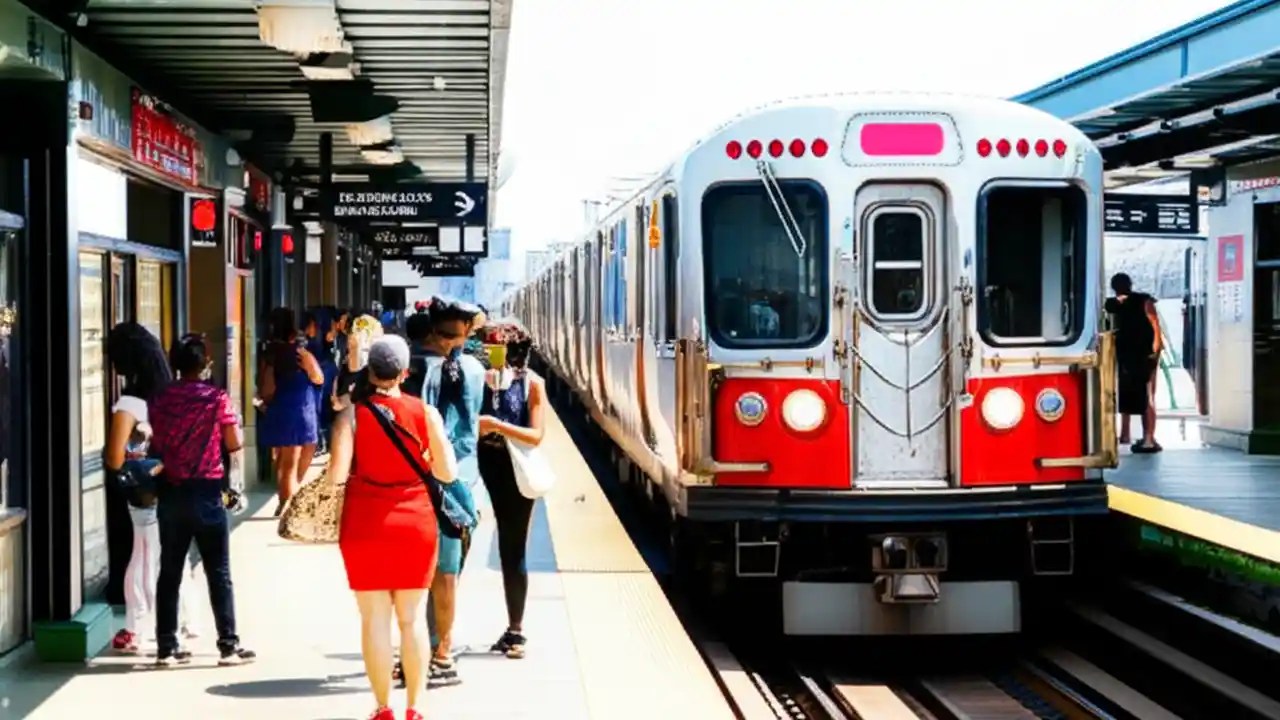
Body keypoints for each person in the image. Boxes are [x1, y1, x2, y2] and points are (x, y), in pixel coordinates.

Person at [334, 335, 458, 720]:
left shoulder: (352, 415)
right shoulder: (426, 414)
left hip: (365, 523)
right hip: (415, 523)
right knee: (411, 617)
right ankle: (415, 709)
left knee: (374, 619)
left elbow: (337, 476)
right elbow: (447, 473)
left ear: (370, 371)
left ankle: (382, 708)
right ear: (406, 372)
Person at [148, 334, 254, 666]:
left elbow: (156, 435)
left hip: (171, 490)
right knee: (218, 571)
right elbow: (233, 442)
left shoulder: (161, 398)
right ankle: (228, 645)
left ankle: (166, 646)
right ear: (205, 364)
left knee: (170, 570)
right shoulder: (216, 398)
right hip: (208, 490)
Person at [104, 322, 198, 653]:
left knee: (144, 555)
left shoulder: (130, 403)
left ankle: (138, 627)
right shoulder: (173, 392)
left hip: (145, 494)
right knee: (175, 557)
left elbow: (115, 459)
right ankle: (183, 622)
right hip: (179, 485)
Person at [419, 297, 485, 687]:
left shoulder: (413, 370)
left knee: (422, 574)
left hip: (421, 481)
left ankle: (427, 646)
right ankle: (442, 650)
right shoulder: (474, 369)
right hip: (460, 484)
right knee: (447, 573)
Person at [477, 332, 547, 659]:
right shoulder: (478, 379)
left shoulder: (533, 384)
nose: (489, 351)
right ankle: (439, 635)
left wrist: (497, 425)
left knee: (512, 546)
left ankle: (515, 630)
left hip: (514, 469)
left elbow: (536, 436)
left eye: (495, 346)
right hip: (481, 465)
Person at [257, 308, 325, 514]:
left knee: (286, 459)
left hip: (282, 408)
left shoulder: (270, 355)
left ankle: (286, 498)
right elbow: (318, 377)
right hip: (302, 408)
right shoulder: (300, 353)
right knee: (295, 458)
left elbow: (267, 390)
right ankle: (289, 500)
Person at [1105, 273, 1163, 453]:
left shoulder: (1111, 304)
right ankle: (1148, 438)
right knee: (1147, 395)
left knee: (1126, 393)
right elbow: (1155, 324)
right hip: (1144, 354)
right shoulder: (1144, 300)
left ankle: (1126, 434)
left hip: (1124, 355)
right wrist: (1156, 349)